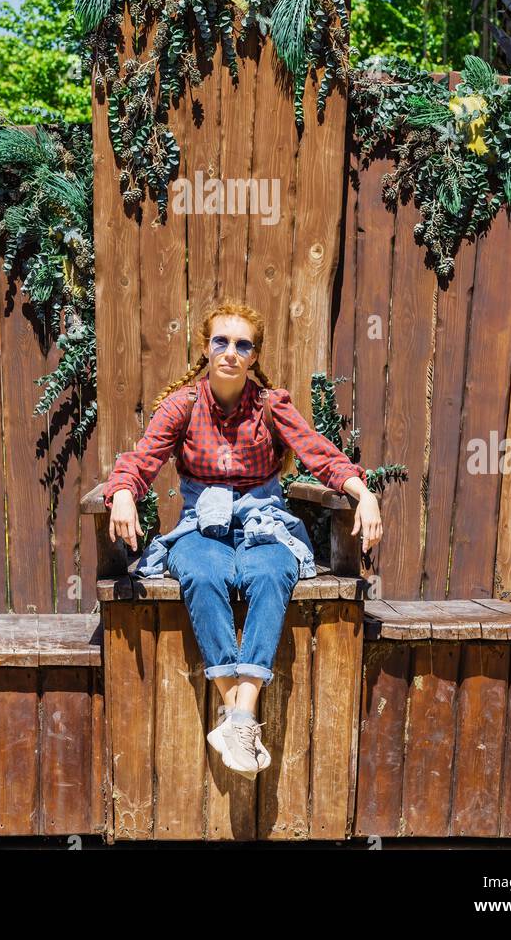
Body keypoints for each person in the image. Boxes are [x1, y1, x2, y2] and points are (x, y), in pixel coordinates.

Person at [103, 298, 383, 779]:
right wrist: (124, 492)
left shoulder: (271, 406)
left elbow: (320, 455)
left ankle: (241, 713)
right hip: (201, 525)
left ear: (254, 356)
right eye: (221, 342)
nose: (230, 352)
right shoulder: (184, 405)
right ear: (207, 349)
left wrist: (365, 493)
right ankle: (236, 712)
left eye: (242, 345)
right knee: (203, 572)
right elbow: (141, 459)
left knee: (272, 572)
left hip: (263, 521)